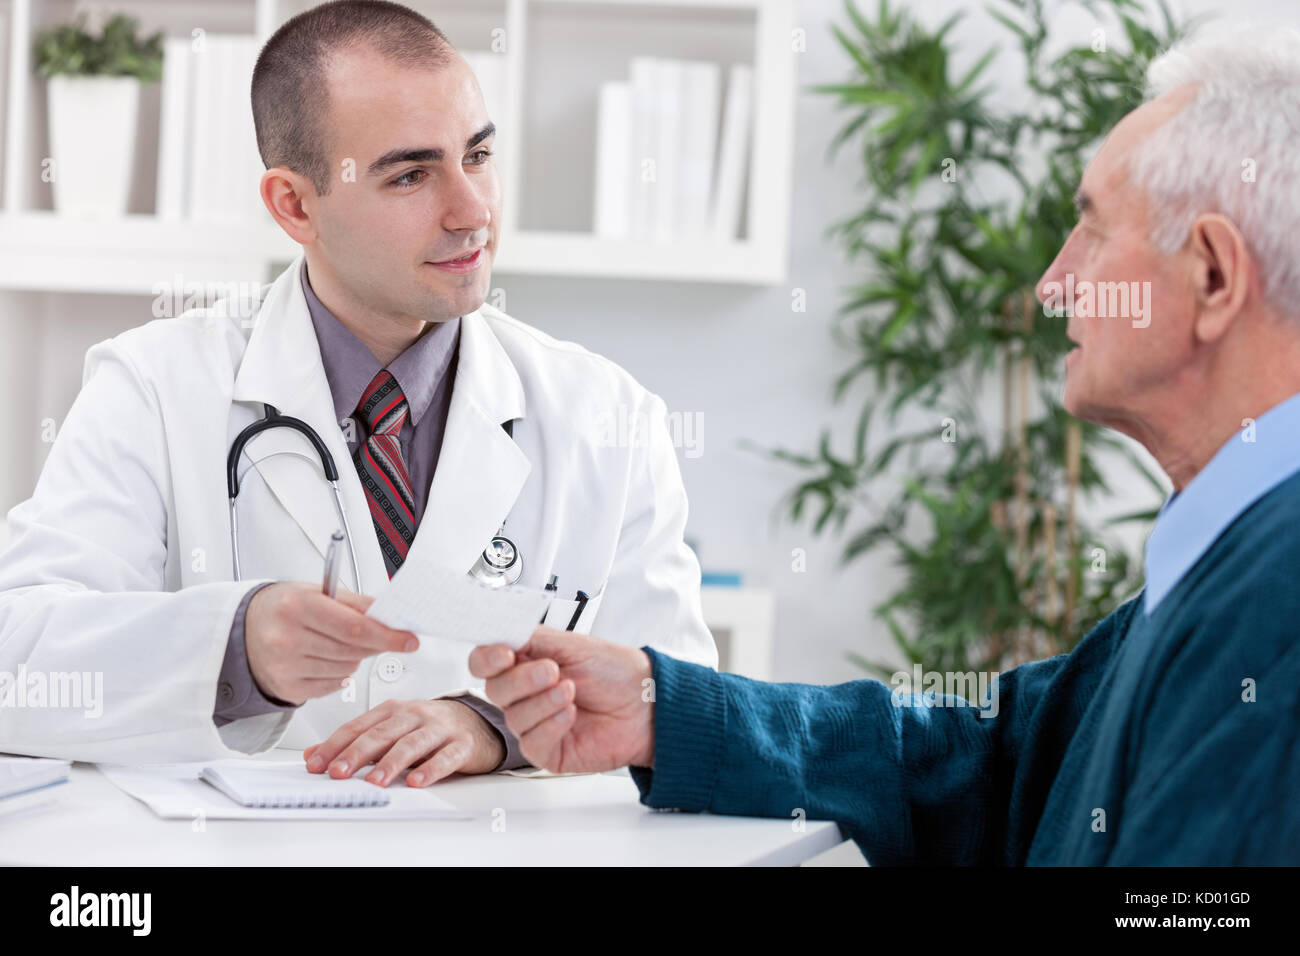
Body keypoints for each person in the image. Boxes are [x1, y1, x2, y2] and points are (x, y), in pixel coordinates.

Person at [468, 27, 1300, 864]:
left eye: (1092, 231)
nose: (1053, 284)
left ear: (1214, 278)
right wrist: (666, 712)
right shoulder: (1225, 566)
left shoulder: (1276, 605)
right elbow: (992, 758)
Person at [0, 0, 716, 781]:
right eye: (411, 174)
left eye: (477, 156)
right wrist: (234, 646)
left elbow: (682, 706)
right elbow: (19, 665)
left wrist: (494, 725)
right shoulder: (151, 386)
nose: (472, 211)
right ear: (295, 205)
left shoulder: (606, 416)